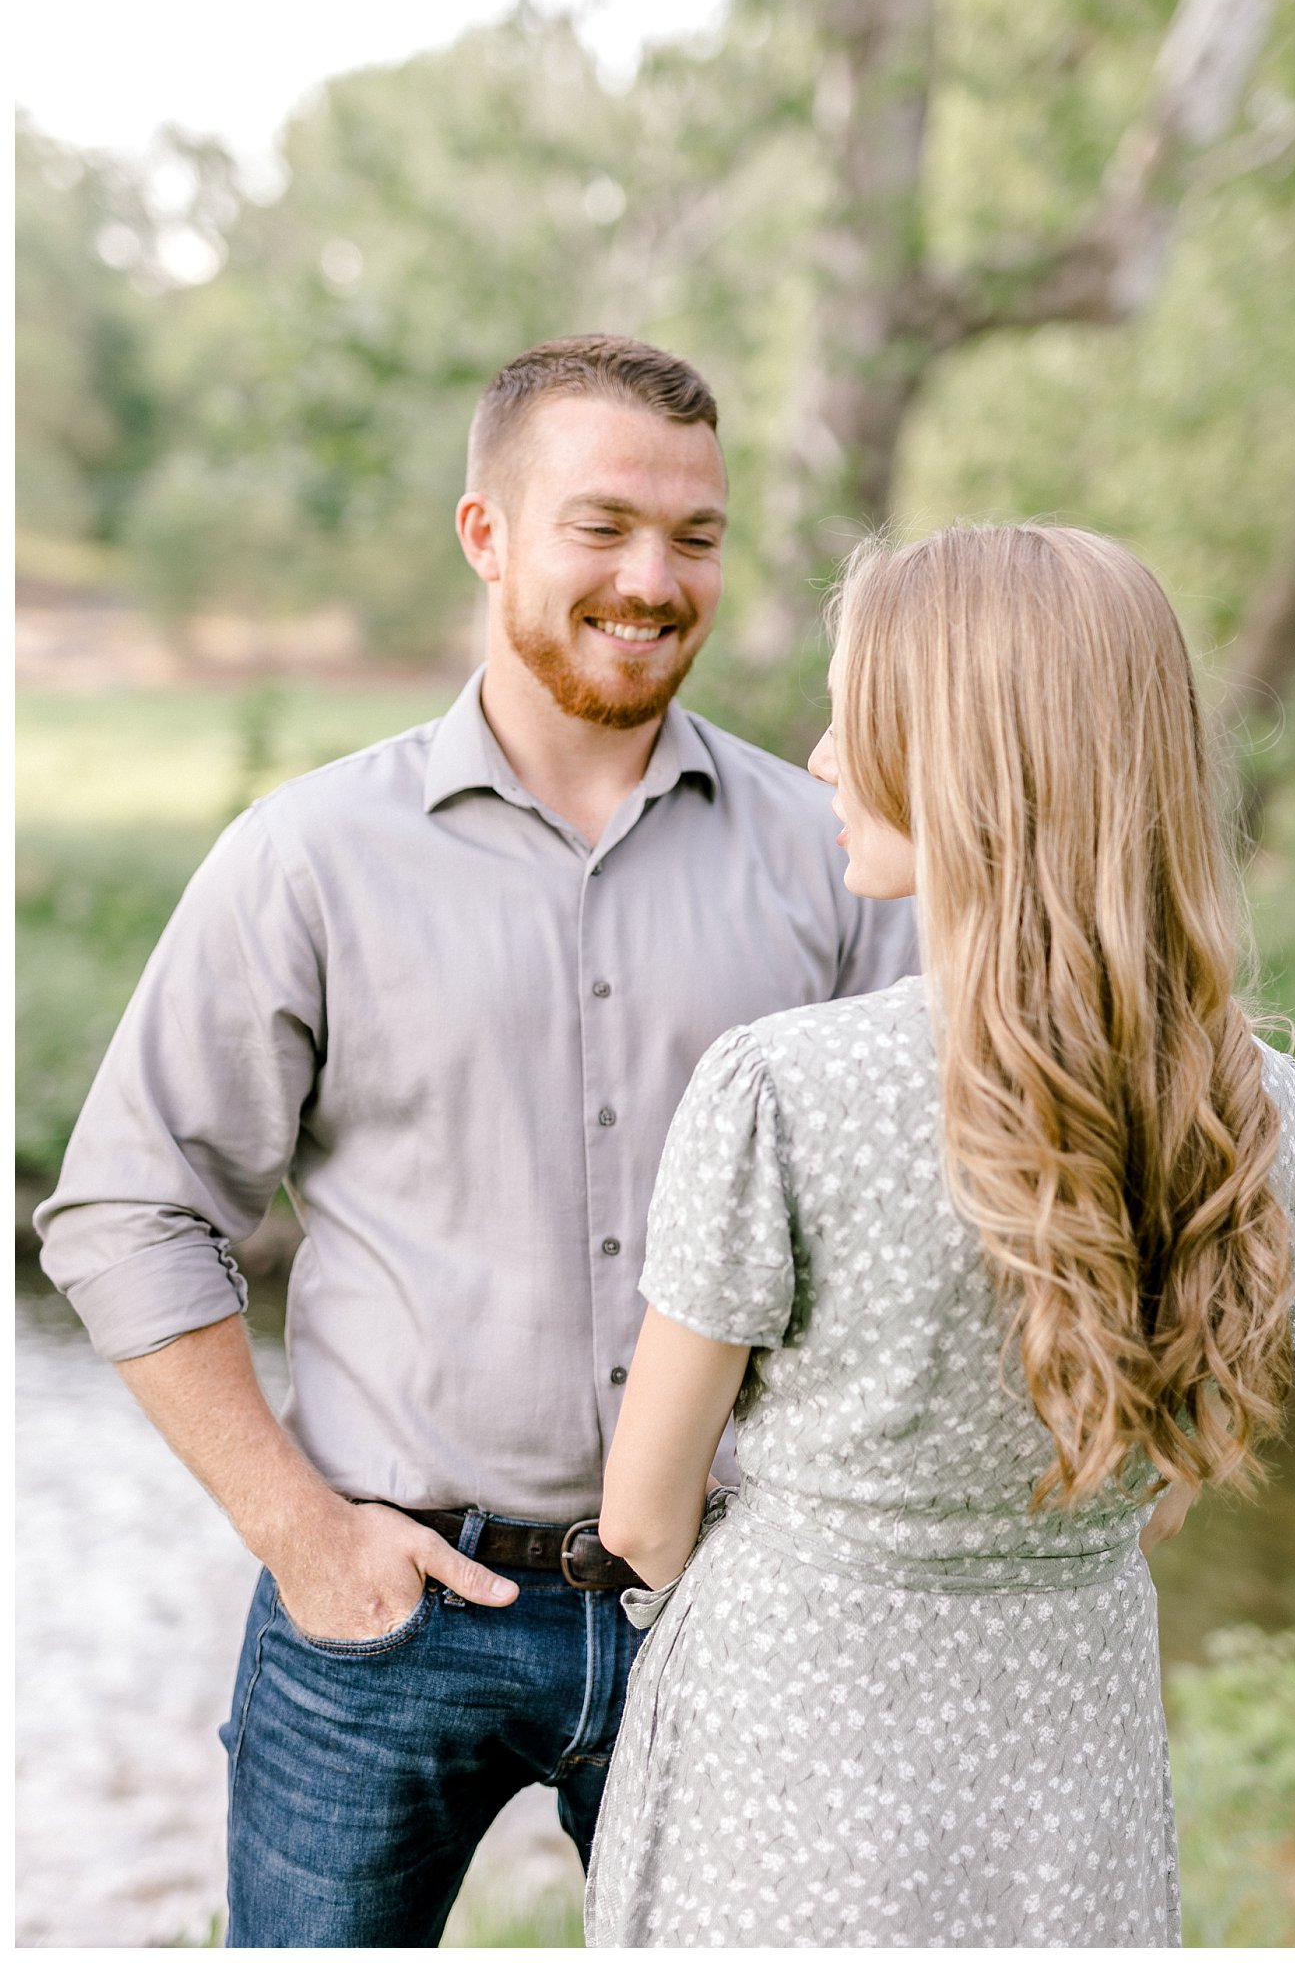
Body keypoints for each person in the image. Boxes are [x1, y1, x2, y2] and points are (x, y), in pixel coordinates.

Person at [34, 335, 916, 1949]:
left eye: (697, 537)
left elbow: (931, 1226)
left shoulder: (834, 860)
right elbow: (124, 1212)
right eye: (603, 527)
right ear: (485, 534)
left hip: (732, 1606)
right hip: (383, 1619)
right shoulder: (304, 858)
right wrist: (303, 1537)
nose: (655, 579)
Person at [584, 522, 1295, 1949]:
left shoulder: (783, 1093)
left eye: (854, 719)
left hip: (795, 1767)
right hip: (1074, 1761)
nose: (816, 757)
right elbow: (1163, 1477)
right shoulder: (1274, 1121)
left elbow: (641, 1517)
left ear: (969, 763)